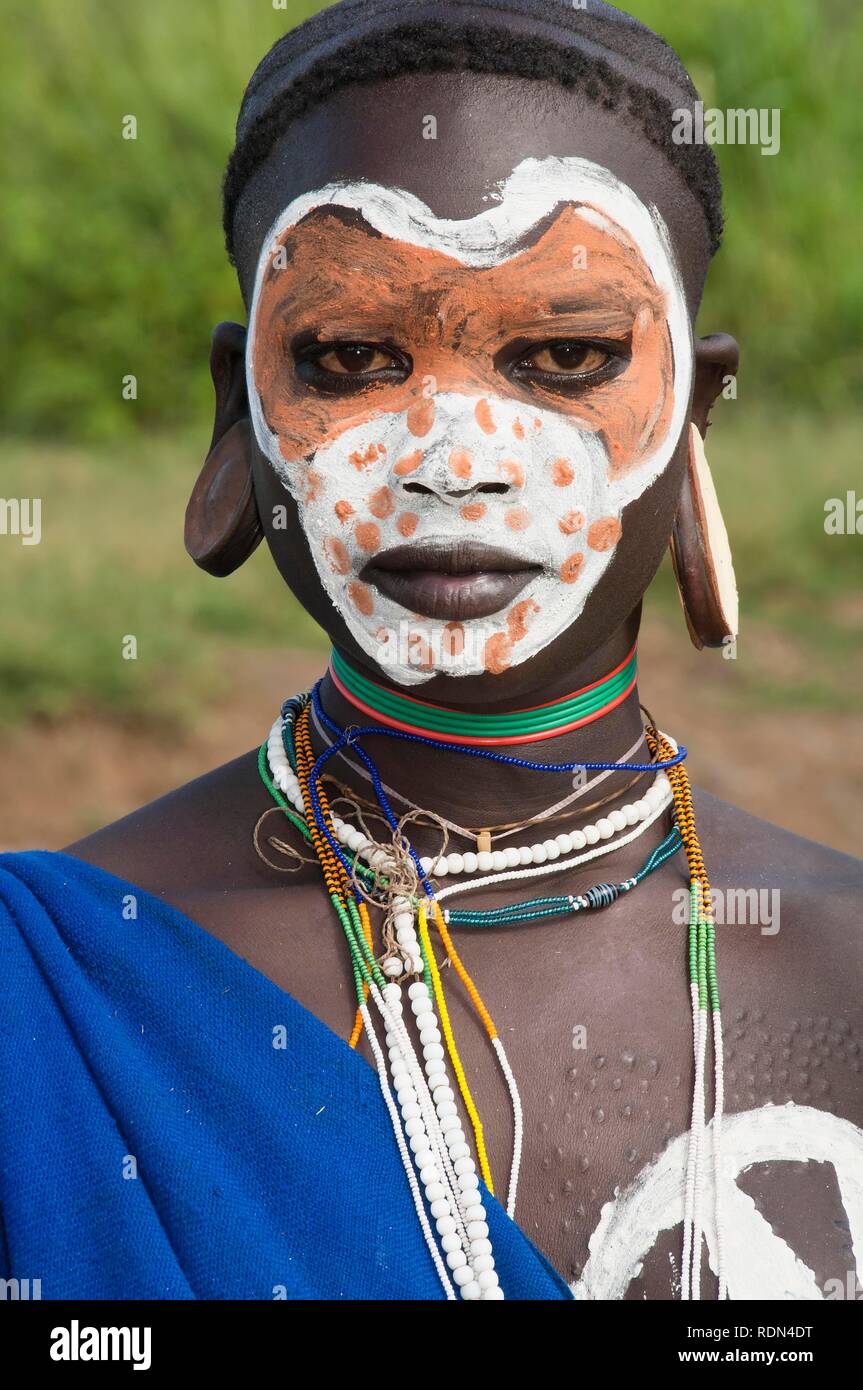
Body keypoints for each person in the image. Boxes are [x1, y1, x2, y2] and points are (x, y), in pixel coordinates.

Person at [2, 0, 861, 1302]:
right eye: (350, 357)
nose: (454, 461)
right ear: (238, 416)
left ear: (696, 405)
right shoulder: (54, 991)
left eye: (567, 355)